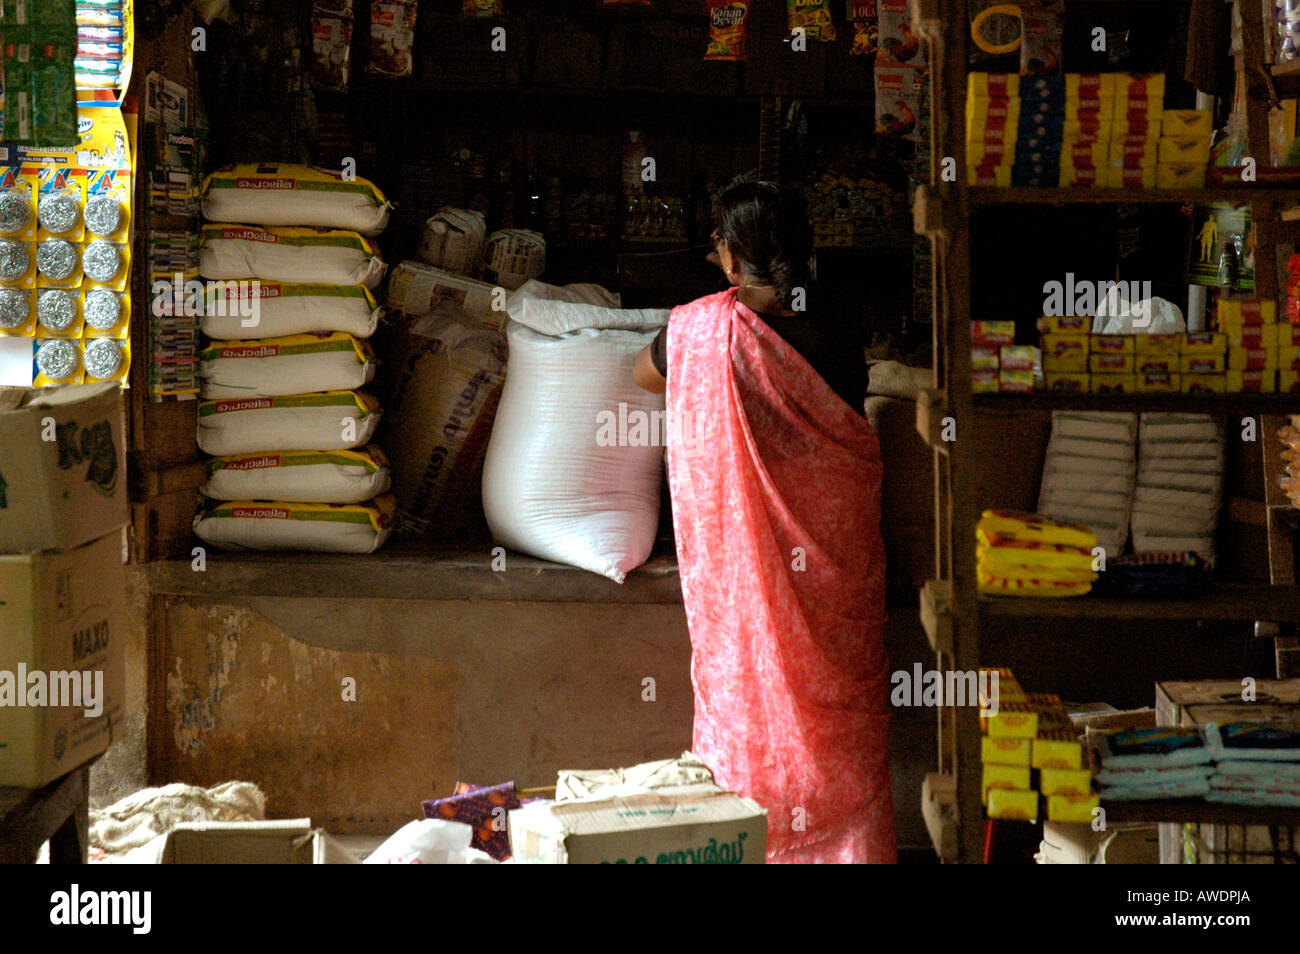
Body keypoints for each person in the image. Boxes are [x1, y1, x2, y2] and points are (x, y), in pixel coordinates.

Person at [633, 181, 896, 864]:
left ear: (730, 258)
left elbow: (642, 374)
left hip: (747, 571)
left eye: (718, 243)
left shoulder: (698, 329)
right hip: (838, 551)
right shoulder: (839, 318)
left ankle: (758, 842)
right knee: (837, 705)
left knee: (749, 686)